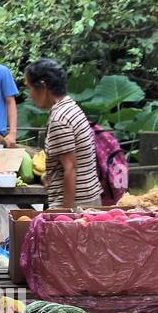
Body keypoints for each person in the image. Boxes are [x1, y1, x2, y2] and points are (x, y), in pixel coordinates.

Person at [23, 59, 102, 210]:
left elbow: (70, 168)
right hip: (87, 199)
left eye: (30, 88)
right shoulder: (70, 106)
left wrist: (65, 215)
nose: (30, 94)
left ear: (43, 86)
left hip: (77, 206)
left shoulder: (60, 119)